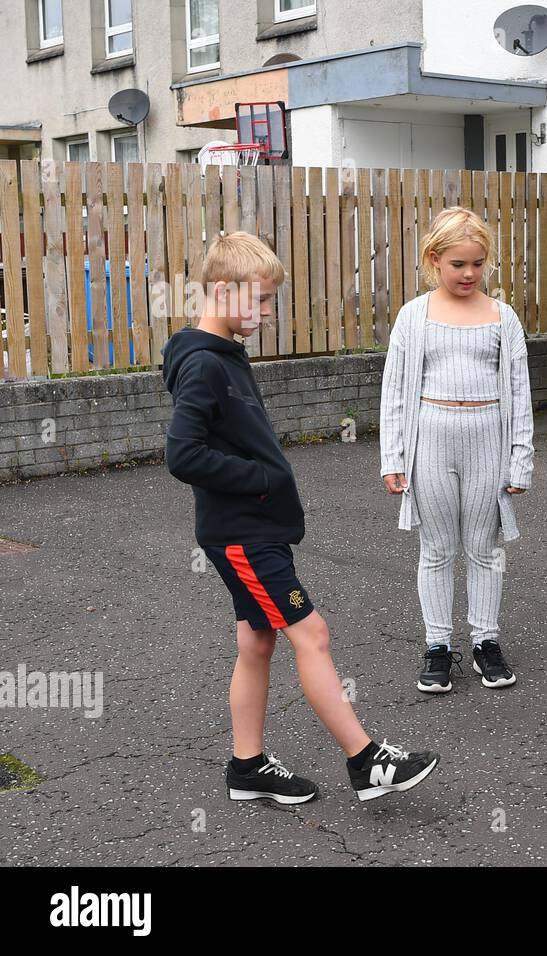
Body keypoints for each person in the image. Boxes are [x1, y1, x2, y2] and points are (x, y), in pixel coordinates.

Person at [163, 231, 440, 804]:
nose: (267, 313)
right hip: (242, 535)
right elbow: (182, 454)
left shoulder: (222, 356)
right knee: (311, 633)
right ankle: (366, 762)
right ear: (222, 291)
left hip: (252, 530)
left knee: (256, 642)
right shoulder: (204, 367)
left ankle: (247, 768)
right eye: (260, 301)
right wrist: (262, 480)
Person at [379, 207, 535, 695]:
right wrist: (393, 457)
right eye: (458, 264)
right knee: (437, 550)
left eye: (477, 263)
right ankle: (438, 647)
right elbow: (396, 392)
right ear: (434, 260)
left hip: (488, 437)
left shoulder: (502, 317)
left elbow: (519, 388)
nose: (469, 274)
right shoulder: (414, 316)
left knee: (485, 549)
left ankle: (485, 641)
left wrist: (520, 457)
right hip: (432, 441)